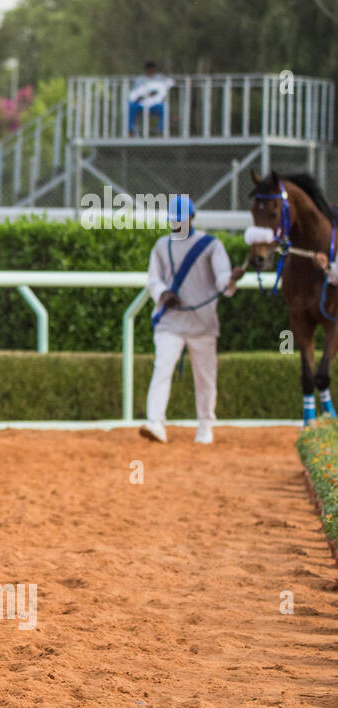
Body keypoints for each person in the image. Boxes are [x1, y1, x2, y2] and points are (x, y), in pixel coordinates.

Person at [140, 195, 244, 444]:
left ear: (191, 218)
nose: (177, 225)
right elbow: (153, 279)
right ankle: (155, 423)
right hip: (170, 322)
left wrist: (231, 279)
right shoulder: (161, 245)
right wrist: (164, 294)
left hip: (203, 324)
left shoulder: (211, 245)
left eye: (181, 220)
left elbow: (222, 281)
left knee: (205, 377)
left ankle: (205, 426)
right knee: (162, 369)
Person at [128, 61, 174, 137]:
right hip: (141, 104)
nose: (150, 71)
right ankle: (130, 131)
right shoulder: (139, 79)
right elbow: (133, 93)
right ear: (146, 70)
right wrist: (139, 98)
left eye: (152, 69)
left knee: (165, 108)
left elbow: (172, 83)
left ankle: (162, 131)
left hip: (155, 104)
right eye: (149, 69)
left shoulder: (160, 78)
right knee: (130, 107)